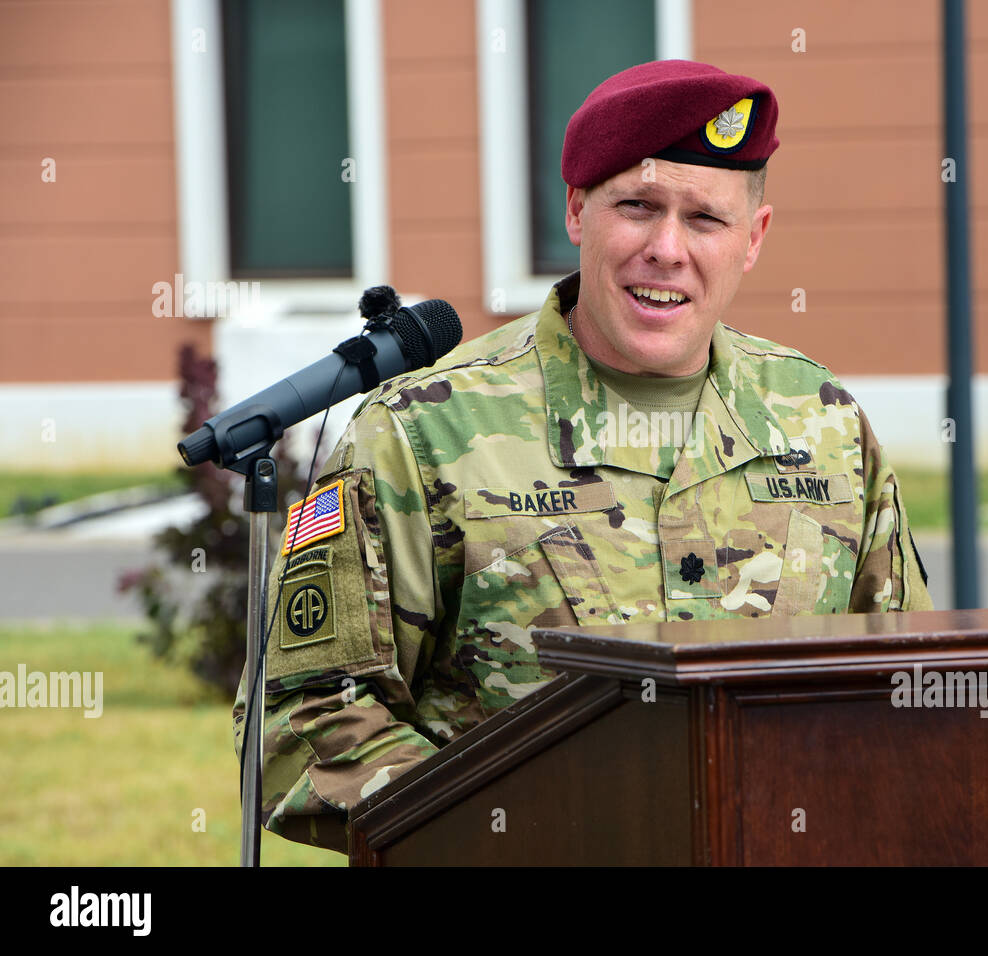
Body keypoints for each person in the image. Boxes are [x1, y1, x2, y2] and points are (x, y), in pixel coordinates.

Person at [233, 59, 933, 854]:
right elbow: (297, 717)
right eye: (637, 206)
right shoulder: (423, 432)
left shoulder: (825, 423)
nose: (666, 250)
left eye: (705, 219)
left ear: (753, 239)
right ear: (576, 210)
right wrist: (506, 838)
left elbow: (905, 691)